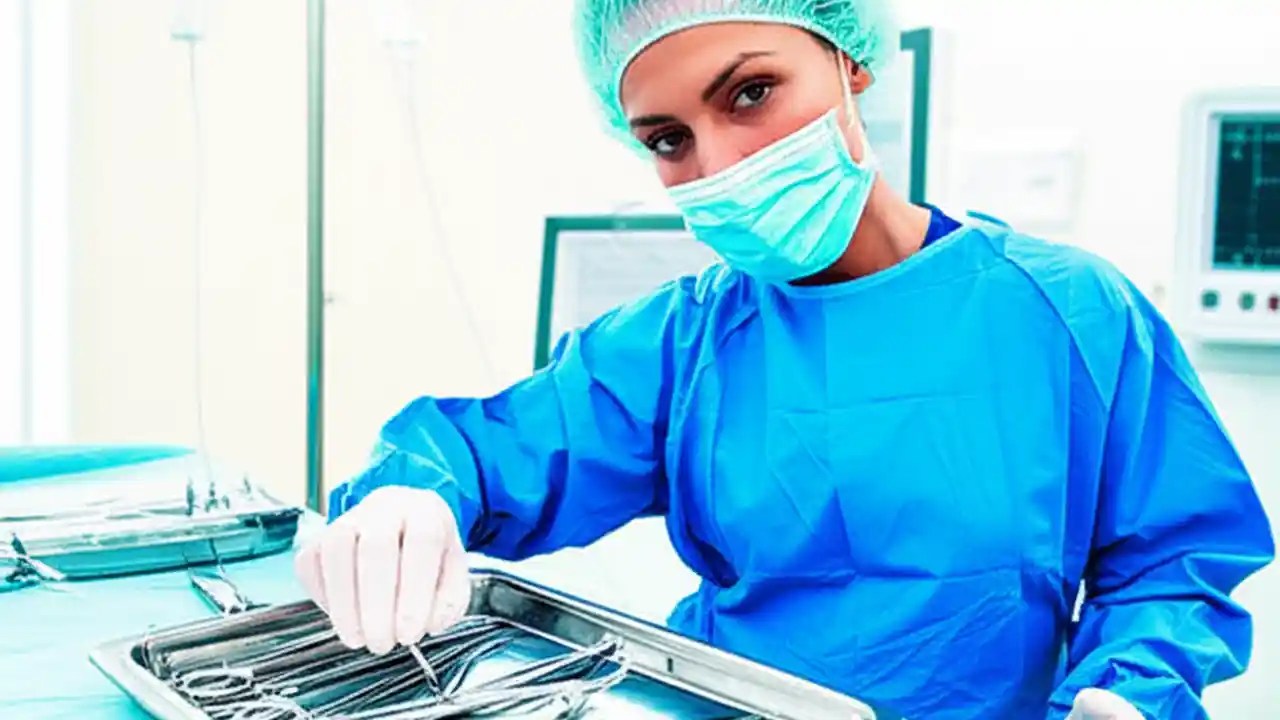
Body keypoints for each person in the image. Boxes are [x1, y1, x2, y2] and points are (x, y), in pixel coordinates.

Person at [295, 1, 1275, 718]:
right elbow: (488, 452)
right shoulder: (679, 343)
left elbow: (1172, 563)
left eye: (751, 93)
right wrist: (410, 494)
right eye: (669, 139)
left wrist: (1127, 692)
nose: (718, 166)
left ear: (848, 60)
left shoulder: (1064, 311)